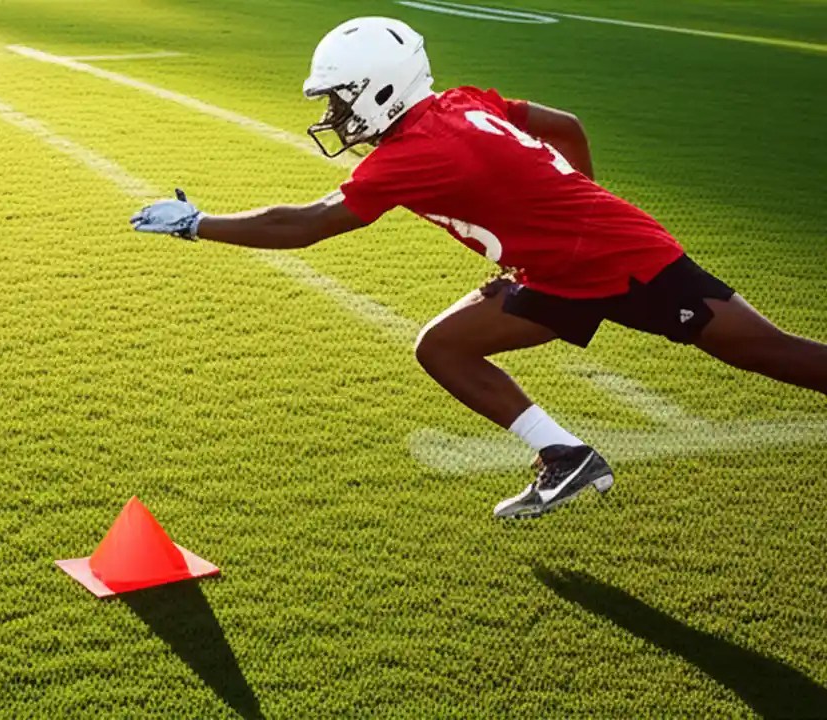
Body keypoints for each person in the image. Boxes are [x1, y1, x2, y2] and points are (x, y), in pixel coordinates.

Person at [129, 16, 827, 518]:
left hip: (625, 261)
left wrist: (198, 223)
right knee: (444, 346)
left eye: (340, 97)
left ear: (379, 89)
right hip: (558, 272)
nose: (335, 114)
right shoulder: (459, 103)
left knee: (768, 352)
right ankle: (566, 457)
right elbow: (566, 125)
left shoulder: (413, 155)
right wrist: (565, 215)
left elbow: (304, 224)